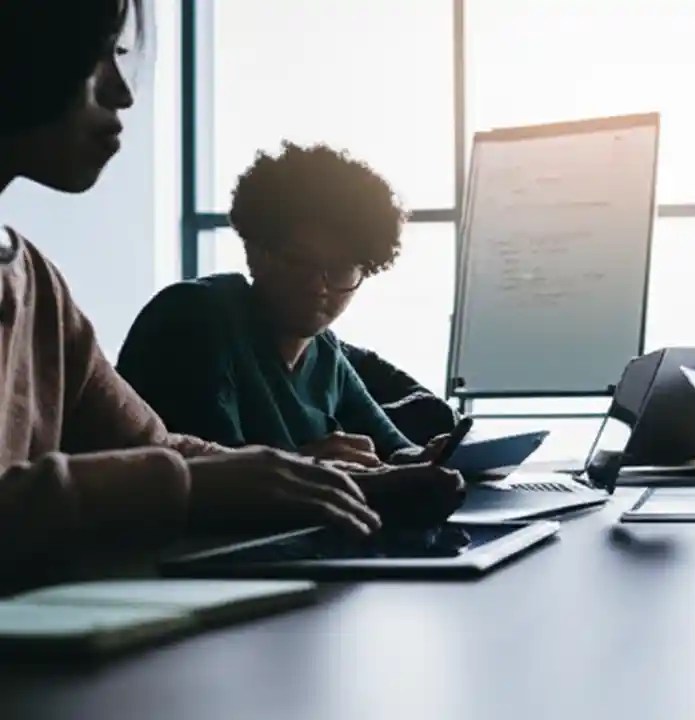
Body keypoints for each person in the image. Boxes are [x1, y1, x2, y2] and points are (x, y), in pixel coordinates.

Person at [0, 0, 461, 581]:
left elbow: (160, 447)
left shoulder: (37, 284)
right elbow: (180, 471)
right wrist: (198, 483)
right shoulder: (200, 315)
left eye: (119, 55)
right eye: (92, 56)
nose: (123, 92)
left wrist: (340, 484)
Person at [117, 142, 448, 467]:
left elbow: (395, 449)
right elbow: (212, 479)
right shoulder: (195, 318)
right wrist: (307, 465)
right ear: (256, 252)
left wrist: (439, 457)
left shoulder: (326, 354)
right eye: (298, 261)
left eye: (340, 269)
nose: (318, 285)